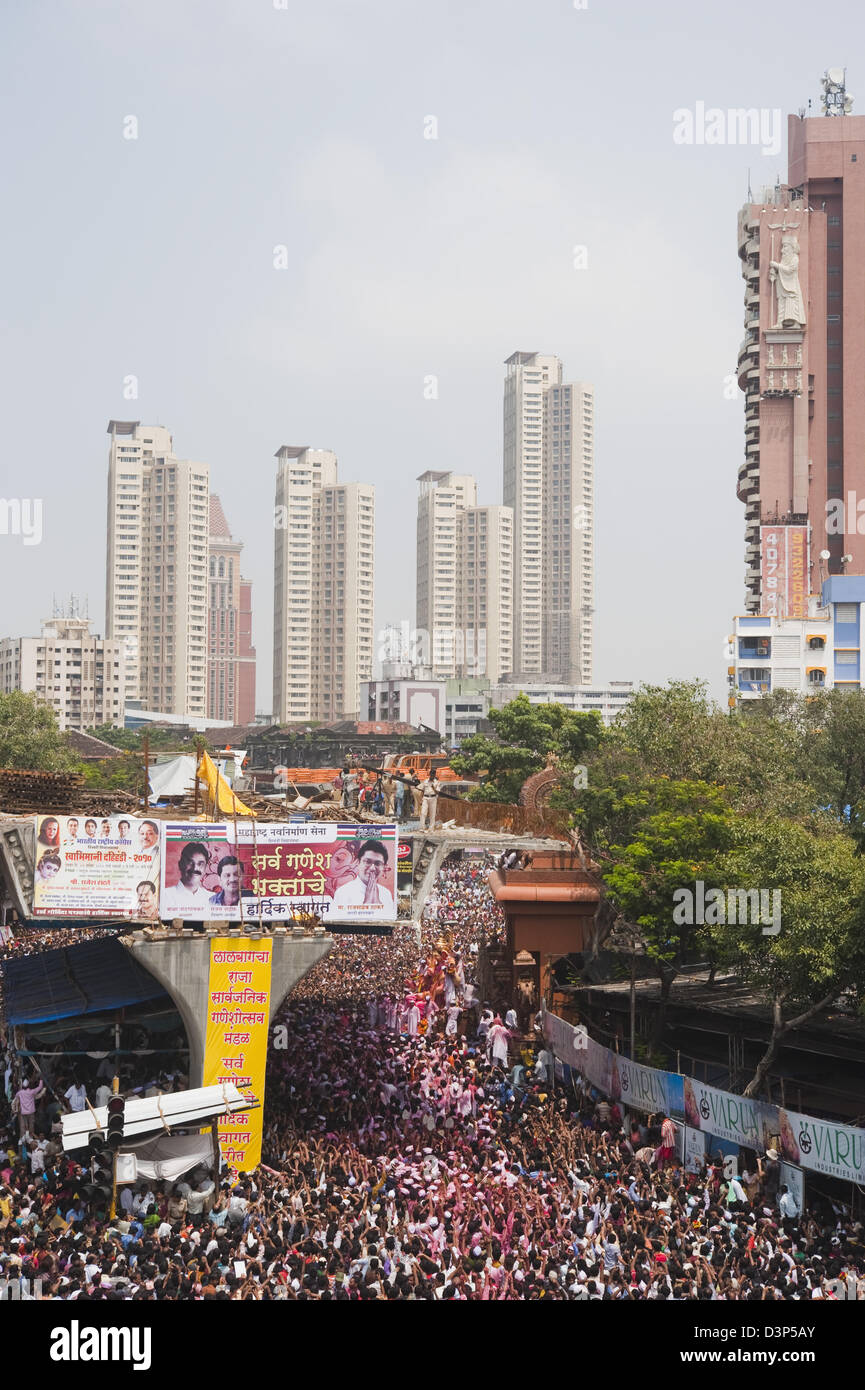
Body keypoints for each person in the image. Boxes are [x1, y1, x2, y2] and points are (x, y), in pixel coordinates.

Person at [332, 841, 395, 916]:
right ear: (358, 863)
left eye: (378, 863)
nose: (372, 868)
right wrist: (367, 905)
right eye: (367, 862)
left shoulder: (386, 893)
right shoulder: (343, 893)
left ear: (384, 867)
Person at [162, 844, 213, 913]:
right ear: (180, 865)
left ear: (205, 869)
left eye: (200, 864)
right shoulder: (165, 896)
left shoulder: (212, 898)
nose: (195, 868)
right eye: (190, 862)